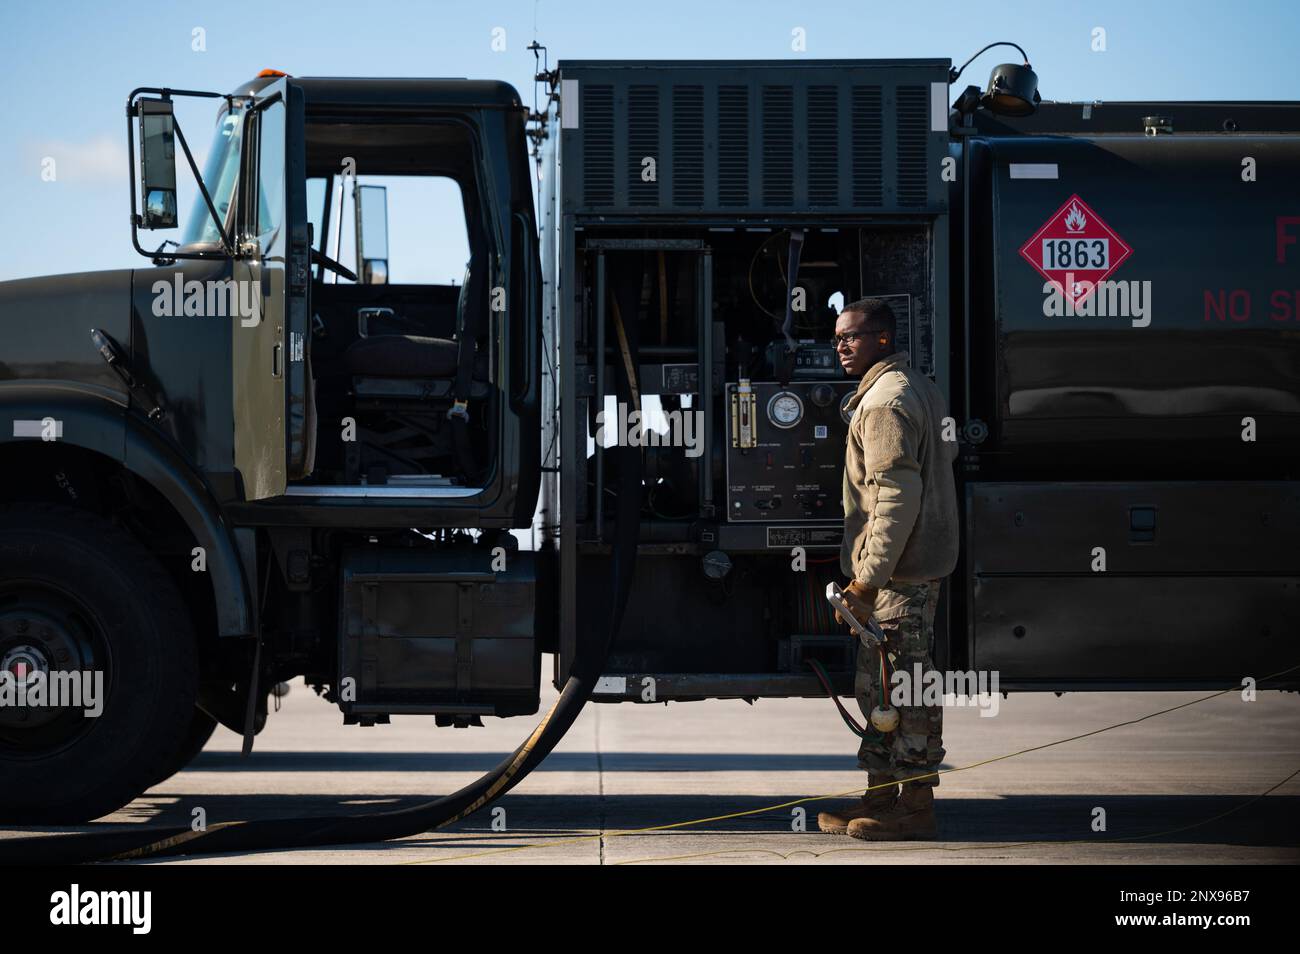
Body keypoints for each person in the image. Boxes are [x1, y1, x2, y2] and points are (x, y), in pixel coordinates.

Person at [817, 297, 960, 840]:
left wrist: (866, 581)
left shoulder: (884, 402)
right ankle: (879, 796)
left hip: (899, 575)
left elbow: (894, 499)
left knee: (906, 687)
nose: (842, 347)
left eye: (851, 337)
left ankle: (915, 807)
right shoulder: (917, 386)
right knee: (880, 686)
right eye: (837, 339)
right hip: (906, 569)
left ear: (881, 338)